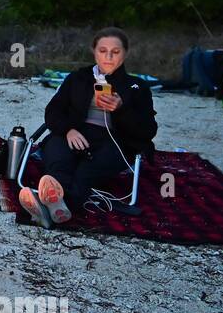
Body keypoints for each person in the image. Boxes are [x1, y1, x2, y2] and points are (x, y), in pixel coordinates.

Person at [19, 27, 157, 226]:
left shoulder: (136, 87)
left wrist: (121, 109)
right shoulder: (78, 78)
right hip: (74, 132)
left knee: (86, 172)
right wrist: (68, 130)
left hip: (115, 141)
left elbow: (147, 131)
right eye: (102, 51)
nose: (108, 56)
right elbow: (53, 111)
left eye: (115, 52)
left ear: (125, 53)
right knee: (59, 160)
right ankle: (58, 208)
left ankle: (50, 205)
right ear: (94, 51)